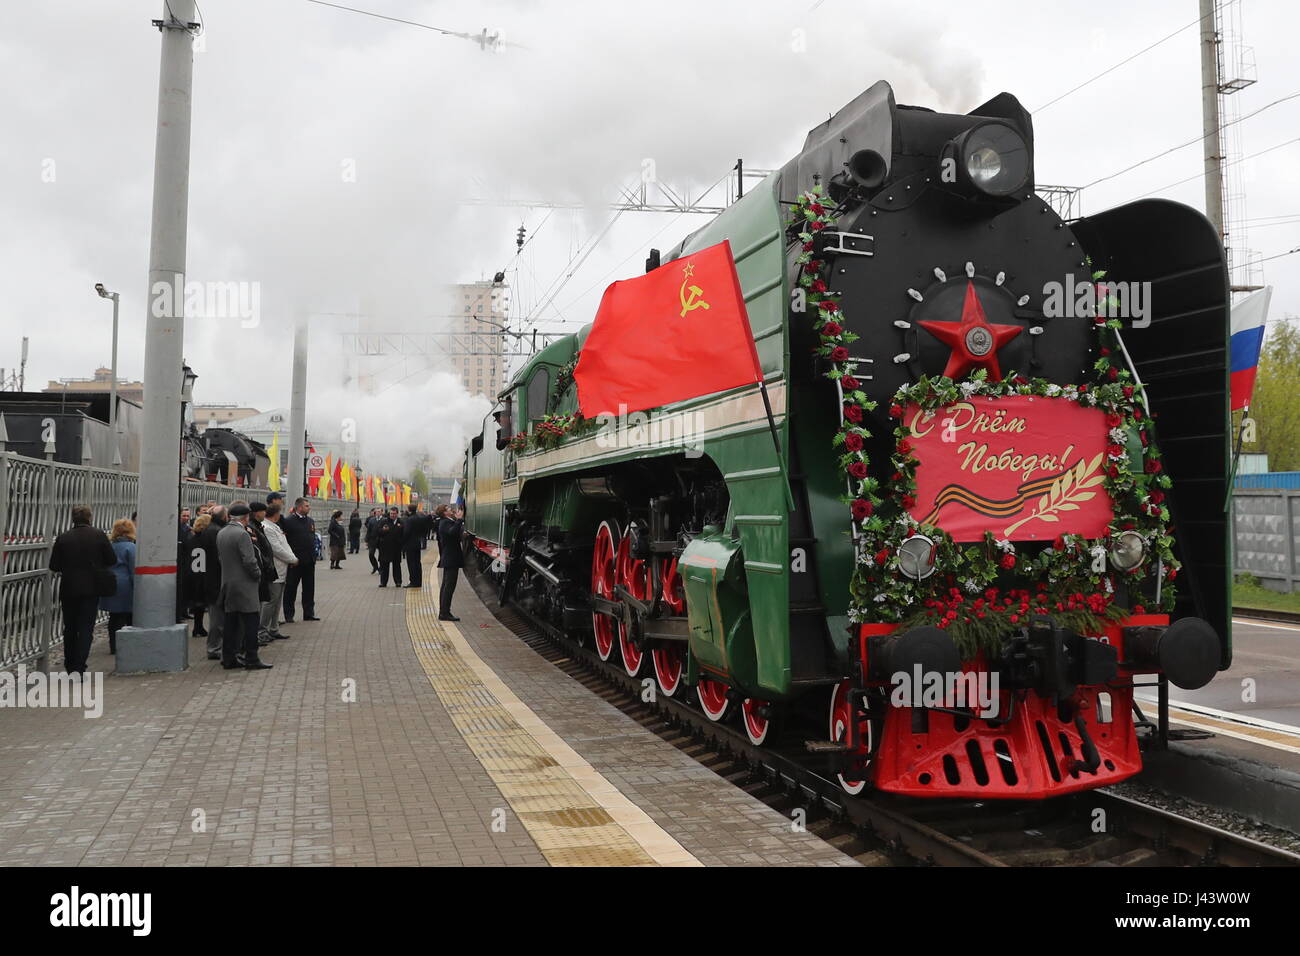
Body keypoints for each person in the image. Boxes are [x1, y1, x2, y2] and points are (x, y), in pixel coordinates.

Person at [49, 505, 117, 673]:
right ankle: (80, 666)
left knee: (70, 627)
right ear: (89, 518)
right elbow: (111, 559)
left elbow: (54, 565)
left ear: (73, 518)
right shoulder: (98, 535)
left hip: (69, 588)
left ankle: (70, 664)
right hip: (91, 588)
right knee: (86, 627)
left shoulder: (63, 538)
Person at [217, 502, 271, 670]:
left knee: (231, 622)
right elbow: (249, 560)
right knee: (251, 622)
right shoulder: (242, 535)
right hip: (245, 585)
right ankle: (252, 658)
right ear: (245, 517)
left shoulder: (222, 532)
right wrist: (257, 574)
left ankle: (229, 658)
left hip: (228, 583)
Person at [192, 505, 228, 660]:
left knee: (218, 616)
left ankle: (216, 646)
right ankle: (214, 648)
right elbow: (219, 558)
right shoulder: (216, 533)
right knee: (217, 618)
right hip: (216, 580)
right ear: (224, 517)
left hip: (210, 579)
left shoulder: (208, 532)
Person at [260, 501, 297, 643]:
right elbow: (276, 549)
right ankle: (262, 630)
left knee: (277, 602)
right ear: (276, 514)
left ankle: (273, 629)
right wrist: (292, 559)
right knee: (270, 602)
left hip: (282, 568)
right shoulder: (267, 528)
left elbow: (285, 545)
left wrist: (292, 558)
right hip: (274, 569)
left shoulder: (274, 526)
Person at [100, 518, 137, 655]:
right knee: (128, 616)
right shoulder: (131, 547)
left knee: (114, 617)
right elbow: (133, 569)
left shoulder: (110, 546)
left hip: (111, 583)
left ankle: (113, 645)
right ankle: (127, 645)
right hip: (126, 584)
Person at [281, 497, 320, 622]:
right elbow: (284, 541)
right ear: (299, 507)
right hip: (295, 561)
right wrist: (290, 558)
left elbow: (312, 538)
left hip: (309, 561)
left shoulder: (310, 521)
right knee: (291, 588)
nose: (309, 508)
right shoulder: (289, 521)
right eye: (307, 506)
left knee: (309, 588)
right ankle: (289, 615)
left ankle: (309, 613)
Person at [247, 502, 279, 645]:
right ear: (256, 513)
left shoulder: (258, 527)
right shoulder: (253, 528)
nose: (265, 514)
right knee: (261, 603)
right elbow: (258, 551)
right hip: (260, 571)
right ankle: (258, 634)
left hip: (264, 569)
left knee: (263, 601)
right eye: (262, 511)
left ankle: (259, 633)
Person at [435, 504, 466, 622]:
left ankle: (444, 611)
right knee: (449, 586)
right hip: (451, 558)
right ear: (444, 513)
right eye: (448, 509)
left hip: (450, 557)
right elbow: (452, 532)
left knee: (446, 586)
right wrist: (459, 520)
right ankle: (444, 613)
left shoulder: (446, 521)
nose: (451, 510)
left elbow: (453, 534)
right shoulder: (445, 522)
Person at [189, 512, 212, 636]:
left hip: (193, 572)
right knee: (201, 602)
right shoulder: (206, 540)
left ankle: (198, 627)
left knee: (197, 602)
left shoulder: (192, 539)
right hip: (202, 572)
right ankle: (199, 627)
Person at [402, 504, 431, 588]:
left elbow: (406, 532)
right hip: (417, 543)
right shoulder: (419, 518)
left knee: (411, 563)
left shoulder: (409, 520)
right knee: (417, 563)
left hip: (410, 544)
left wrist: (402, 542)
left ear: (409, 510)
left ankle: (413, 581)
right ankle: (419, 581)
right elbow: (425, 529)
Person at [376, 506, 404, 587]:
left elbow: (404, 534)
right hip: (385, 548)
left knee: (396, 566)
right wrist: (383, 530)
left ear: (397, 514)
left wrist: (401, 543)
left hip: (396, 548)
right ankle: (383, 582)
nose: (392, 515)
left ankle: (398, 581)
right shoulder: (384, 521)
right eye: (391, 513)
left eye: (394, 514)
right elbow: (378, 531)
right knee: (384, 566)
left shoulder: (401, 522)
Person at [365, 508, 382, 574]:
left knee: (382, 555)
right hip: (372, 540)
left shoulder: (384, 520)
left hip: (381, 540)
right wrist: (366, 540)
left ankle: (381, 568)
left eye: (379, 511)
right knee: (371, 554)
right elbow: (368, 530)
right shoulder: (371, 520)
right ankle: (375, 566)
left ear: (381, 512)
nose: (378, 513)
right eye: (377, 512)